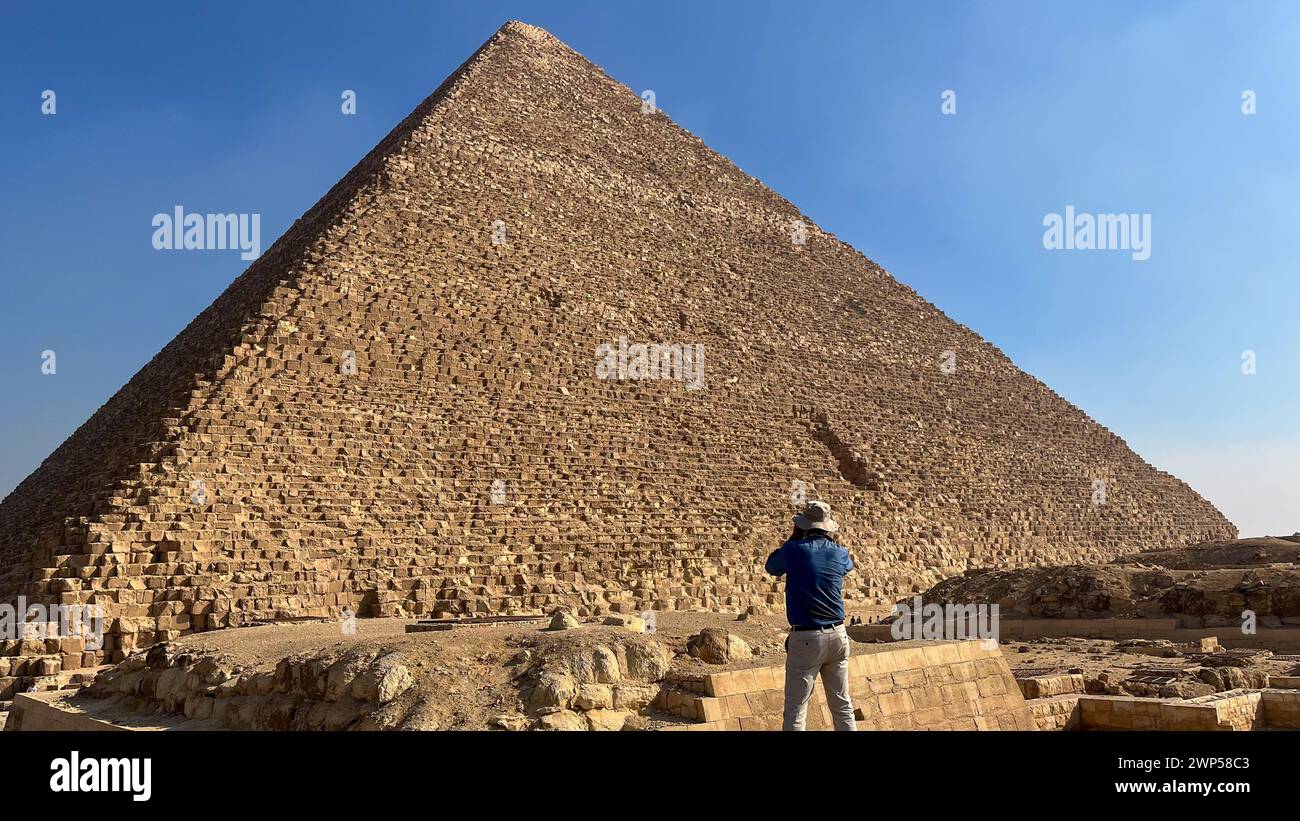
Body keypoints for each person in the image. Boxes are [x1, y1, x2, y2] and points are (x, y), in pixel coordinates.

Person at [764, 500, 856, 731]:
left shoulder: (795, 550)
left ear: (804, 525)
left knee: (796, 710)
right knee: (843, 705)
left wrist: (795, 537)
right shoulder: (839, 552)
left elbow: (772, 567)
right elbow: (847, 566)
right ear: (827, 527)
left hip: (806, 638)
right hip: (838, 636)